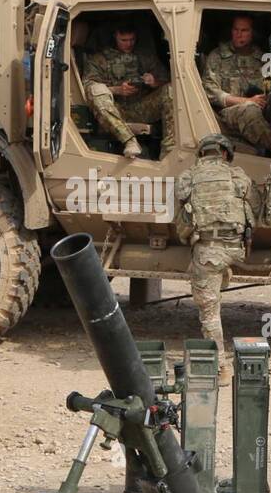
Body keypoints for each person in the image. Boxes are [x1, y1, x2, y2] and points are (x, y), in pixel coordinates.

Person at [174, 134, 261, 382]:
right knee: (215, 275)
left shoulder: (189, 176)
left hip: (209, 250)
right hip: (237, 247)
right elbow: (255, 206)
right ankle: (223, 275)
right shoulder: (238, 175)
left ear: (202, 153)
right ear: (224, 153)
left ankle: (221, 367)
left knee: (210, 311)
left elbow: (181, 213)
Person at [81, 22, 176, 158]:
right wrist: (117, 90)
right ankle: (129, 141)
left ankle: (169, 151)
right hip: (113, 110)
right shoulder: (98, 60)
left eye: (132, 40)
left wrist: (154, 81)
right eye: (124, 40)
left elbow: (168, 80)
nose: (129, 44)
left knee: (171, 90)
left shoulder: (145, 57)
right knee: (96, 90)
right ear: (115, 37)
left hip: (141, 108)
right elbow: (88, 86)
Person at [201, 14, 271, 151]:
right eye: (236, 30)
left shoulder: (263, 58)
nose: (239, 35)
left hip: (261, 108)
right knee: (250, 109)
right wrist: (246, 101)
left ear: (253, 34)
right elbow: (211, 92)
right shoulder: (218, 56)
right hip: (228, 114)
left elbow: (270, 89)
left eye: (244, 31)